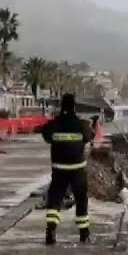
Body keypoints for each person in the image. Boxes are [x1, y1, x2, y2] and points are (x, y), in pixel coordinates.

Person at [40, 93, 95, 245]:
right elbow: (90, 136)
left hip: (59, 170)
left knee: (55, 200)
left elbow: (46, 136)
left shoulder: (54, 124)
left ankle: (51, 232)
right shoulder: (81, 124)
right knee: (81, 200)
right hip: (78, 170)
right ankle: (84, 234)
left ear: (61, 106)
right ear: (74, 107)